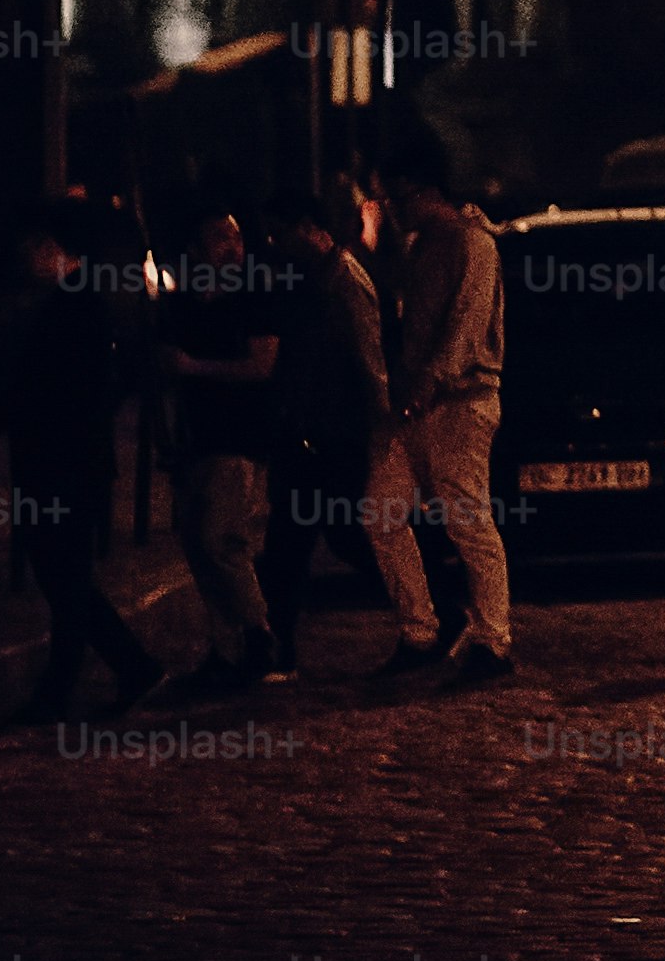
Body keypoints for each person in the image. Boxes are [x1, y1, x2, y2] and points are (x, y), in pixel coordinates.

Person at [0, 209, 162, 721]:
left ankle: (102, 674)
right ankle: (93, 677)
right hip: (69, 460)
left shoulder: (74, 308)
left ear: (54, 249)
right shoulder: (78, 304)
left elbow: (59, 390)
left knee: (63, 575)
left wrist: (4, 413)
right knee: (64, 577)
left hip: (62, 463)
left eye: (33, 248)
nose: (26, 259)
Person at [364, 151, 513, 683]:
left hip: (461, 401)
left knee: (468, 521)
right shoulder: (423, 244)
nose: (394, 210)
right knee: (382, 511)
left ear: (428, 192)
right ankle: (421, 630)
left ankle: (493, 640)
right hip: (418, 404)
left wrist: (430, 380)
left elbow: (466, 323)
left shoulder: (472, 243)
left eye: (399, 198)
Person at [254, 192, 389, 684]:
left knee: (346, 537)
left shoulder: (344, 281)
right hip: (307, 431)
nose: (277, 243)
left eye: (283, 232)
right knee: (289, 544)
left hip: (335, 434)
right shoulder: (309, 279)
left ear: (310, 228)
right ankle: (278, 647)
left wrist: (378, 432)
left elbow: (368, 361)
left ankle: (435, 610)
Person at [157, 207, 283, 691]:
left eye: (235, 238)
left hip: (240, 436)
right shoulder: (186, 303)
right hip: (196, 437)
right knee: (194, 541)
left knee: (222, 539)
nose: (231, 248)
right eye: (218, 239)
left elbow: (261, 365)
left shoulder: (255, 297)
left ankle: (257, 633)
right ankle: (225, 647)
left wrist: (192, 366)